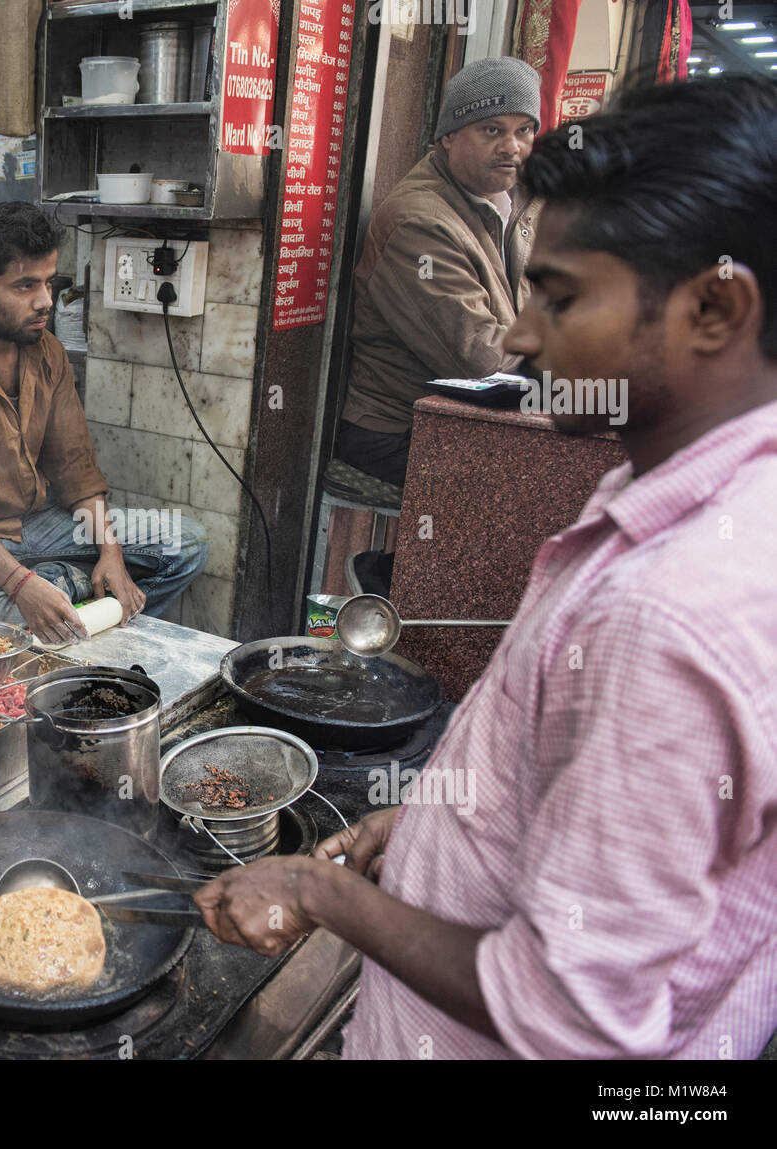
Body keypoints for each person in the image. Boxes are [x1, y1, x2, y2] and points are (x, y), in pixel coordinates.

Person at [195, 74, 777, 1059]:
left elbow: (566, 1014)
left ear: (714, 307)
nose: (518, 334)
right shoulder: (676, 490)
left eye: (559, 296)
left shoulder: (665, 616)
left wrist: (313, 887)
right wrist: (419, 830)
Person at [0, 202, 208, 645]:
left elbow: (75, 468)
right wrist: (21, 585)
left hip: (39, 525)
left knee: (186, 543)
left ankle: (59, 595)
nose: (44, 301)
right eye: (25, 286)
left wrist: (111, 552)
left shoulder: (48, 352)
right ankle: (70, 589)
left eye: (47, 283)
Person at [337, 57, 542, 487]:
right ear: (449, 135)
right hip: (402, 429)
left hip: (468, 420)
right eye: (493, 130)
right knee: (544, 493)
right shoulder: (420, 223)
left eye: (524, 130)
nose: (512, 147)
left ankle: (389, 560)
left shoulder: (517, 202)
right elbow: (484, 366)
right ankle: (391, 559)